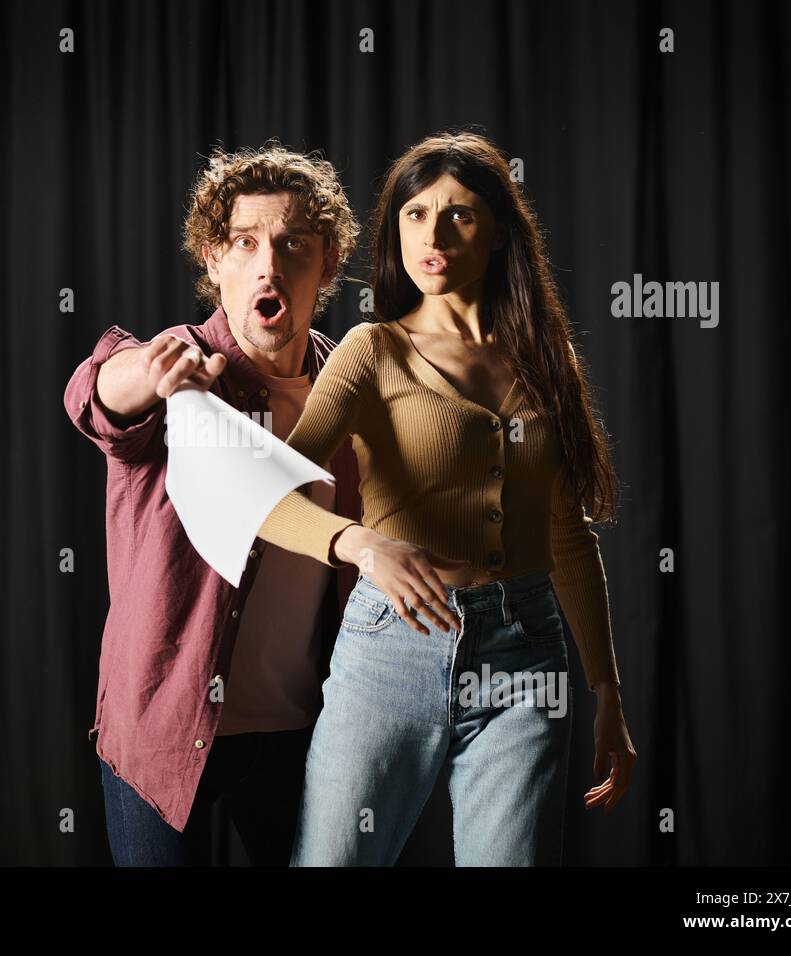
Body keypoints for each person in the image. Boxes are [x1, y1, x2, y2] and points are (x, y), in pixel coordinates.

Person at [254, 131, 638, 865]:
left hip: (525, 656)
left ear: (498, 233)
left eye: (459, 215)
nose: (432, 233)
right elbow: (268, 498)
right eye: (414, 213)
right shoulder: (373, 351)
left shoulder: (543, 361)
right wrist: (361, 544)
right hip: (389, 649)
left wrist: (607, 694)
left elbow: (566, 534)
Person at [62, 142, 364, 865]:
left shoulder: (353, 383)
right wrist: (150, 373)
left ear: (326, 264)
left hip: (303, 733)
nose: (269, 264)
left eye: (295, 244)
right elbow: (97, 393)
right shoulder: (185, 366)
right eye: (246, 242)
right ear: (213, 258)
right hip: (163, 722)